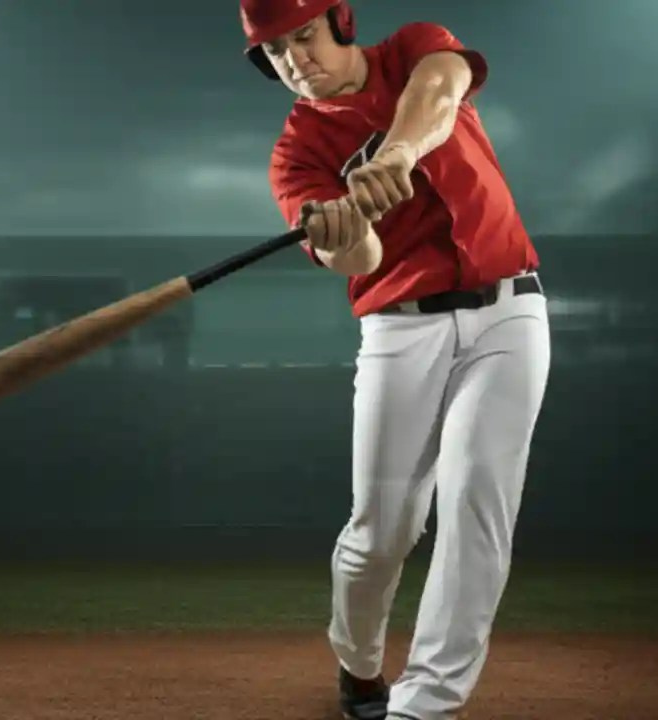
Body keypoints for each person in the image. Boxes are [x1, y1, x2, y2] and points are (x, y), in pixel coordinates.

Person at [238, 1, 552, 718]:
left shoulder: (414, 47)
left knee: (477, 500)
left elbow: (440, 93)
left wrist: (397, 156)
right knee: (383, 530)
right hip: (399, 328)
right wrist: (347, 228)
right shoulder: (295, 157)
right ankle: (358, 662)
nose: (296, 60)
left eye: (304, 36)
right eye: (276, 52)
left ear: (339, 21)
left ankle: (425, 704)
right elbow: (362, 259)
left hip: (511, 310)